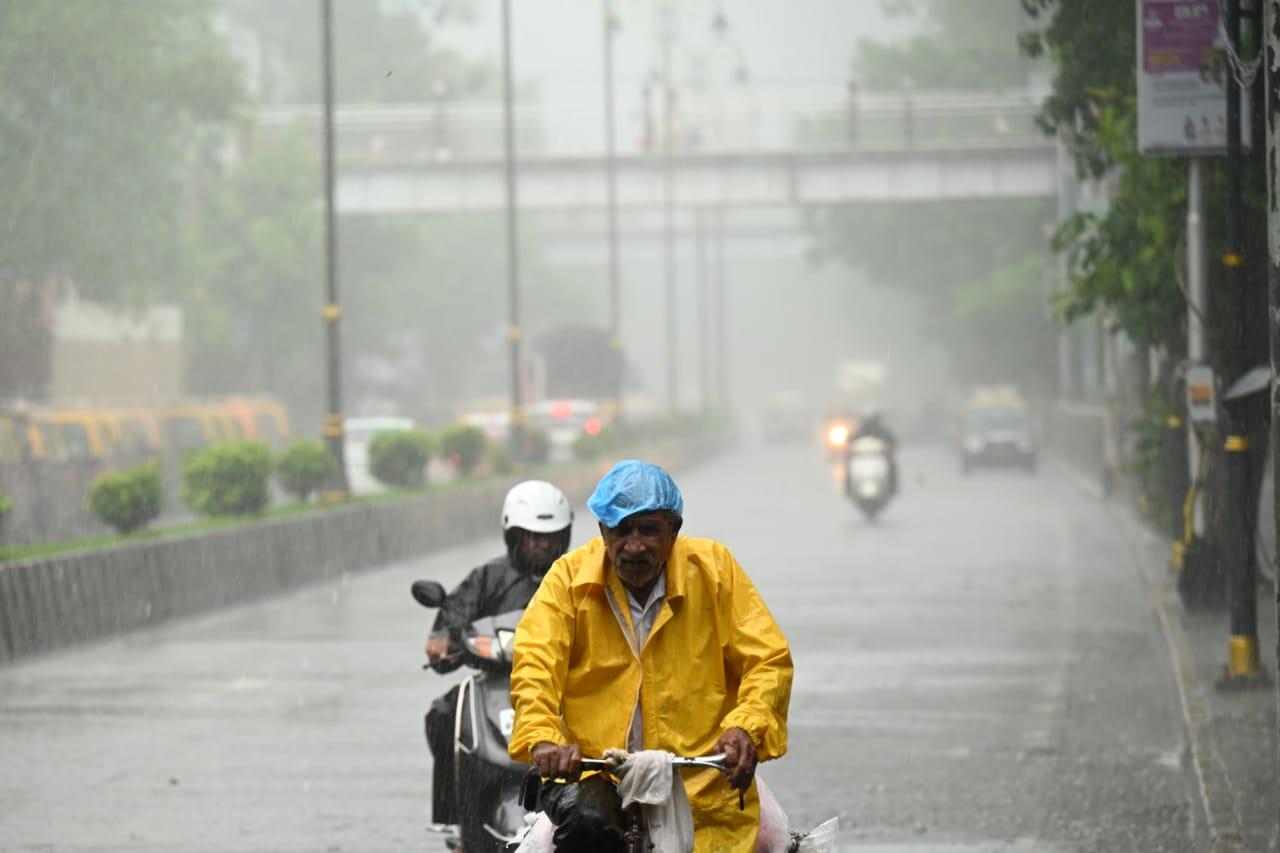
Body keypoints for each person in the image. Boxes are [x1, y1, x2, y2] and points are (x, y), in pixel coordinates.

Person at [508, 460, 793, 852]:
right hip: (596, 780)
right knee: (585, 825)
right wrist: (543, 740)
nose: (635, 545)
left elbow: (767, 661)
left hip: (703, 784)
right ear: (603, 531)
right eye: (622, 531)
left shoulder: (714, 571)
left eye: (649, 530)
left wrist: (746, 728)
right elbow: (534, 666)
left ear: (673, 530)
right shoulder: (567, 581)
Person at [424, 479, 574, 827]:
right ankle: (452, 820)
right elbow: (452, 618)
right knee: (443, 715)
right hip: (496, 681)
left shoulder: (576, 574)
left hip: (564, 685)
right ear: (514, 537)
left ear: (562, 537)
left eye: (548, 536)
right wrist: (443, 641)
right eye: (531, 536)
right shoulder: (487, 577)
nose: (540, 544)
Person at [846, 407, 898, 496]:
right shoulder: (859, 431)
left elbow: (892, 441)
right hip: (862, 457)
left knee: (891, 464)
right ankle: (848, 487)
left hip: (878, 457)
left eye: (871, 419)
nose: (869, 422)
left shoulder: (882, 431)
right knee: (848, 464)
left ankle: (892, 487)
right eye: (867, 419)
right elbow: (850, 441)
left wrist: (889, 448)